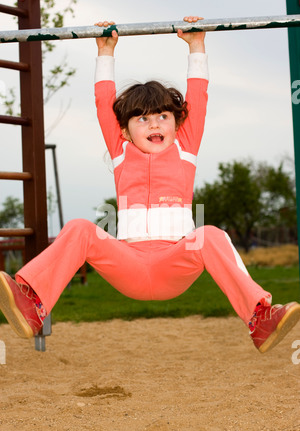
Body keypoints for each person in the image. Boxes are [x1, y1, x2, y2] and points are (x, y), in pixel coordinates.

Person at [0, 16, 299, 354]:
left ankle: (260, 319)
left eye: (163, 116)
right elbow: (103, 104)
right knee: (82, 229)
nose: (154, 123)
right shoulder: (120, 151)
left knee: (210, 234)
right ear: (125, 130)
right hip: (128, 264)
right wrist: (105, 52)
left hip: (175, 263)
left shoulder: (184, 149)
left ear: (177, 123)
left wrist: (197, 46)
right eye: (142, 118)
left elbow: (198, 99)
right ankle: (31, 302)